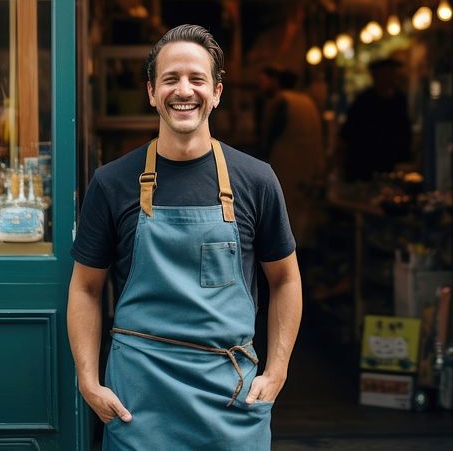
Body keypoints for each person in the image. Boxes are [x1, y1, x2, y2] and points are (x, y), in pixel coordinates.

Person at [67, 24, 302, 451]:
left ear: (216, 92)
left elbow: (285, 280)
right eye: (171, 79)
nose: (184, 90)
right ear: (152, 92)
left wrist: (277, 371)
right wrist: (87, 380)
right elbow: (85, 287)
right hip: (139, 398)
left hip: (229, 398)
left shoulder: (256, 180)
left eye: (197, 79)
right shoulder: (112, 182)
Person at [258, 66, 324, 251]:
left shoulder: (281, 101)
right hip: (309, 165)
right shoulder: (308, 101)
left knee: (285, 214)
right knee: (303, 213)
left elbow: (270, 137)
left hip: (286, 165)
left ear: (276, 81)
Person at [337, 57, 412, 181]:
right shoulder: (364, 101)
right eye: (388, 72)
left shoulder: (399, 99)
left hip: (391, 167)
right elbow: (348, 135)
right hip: (364, 167)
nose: (392, 76)